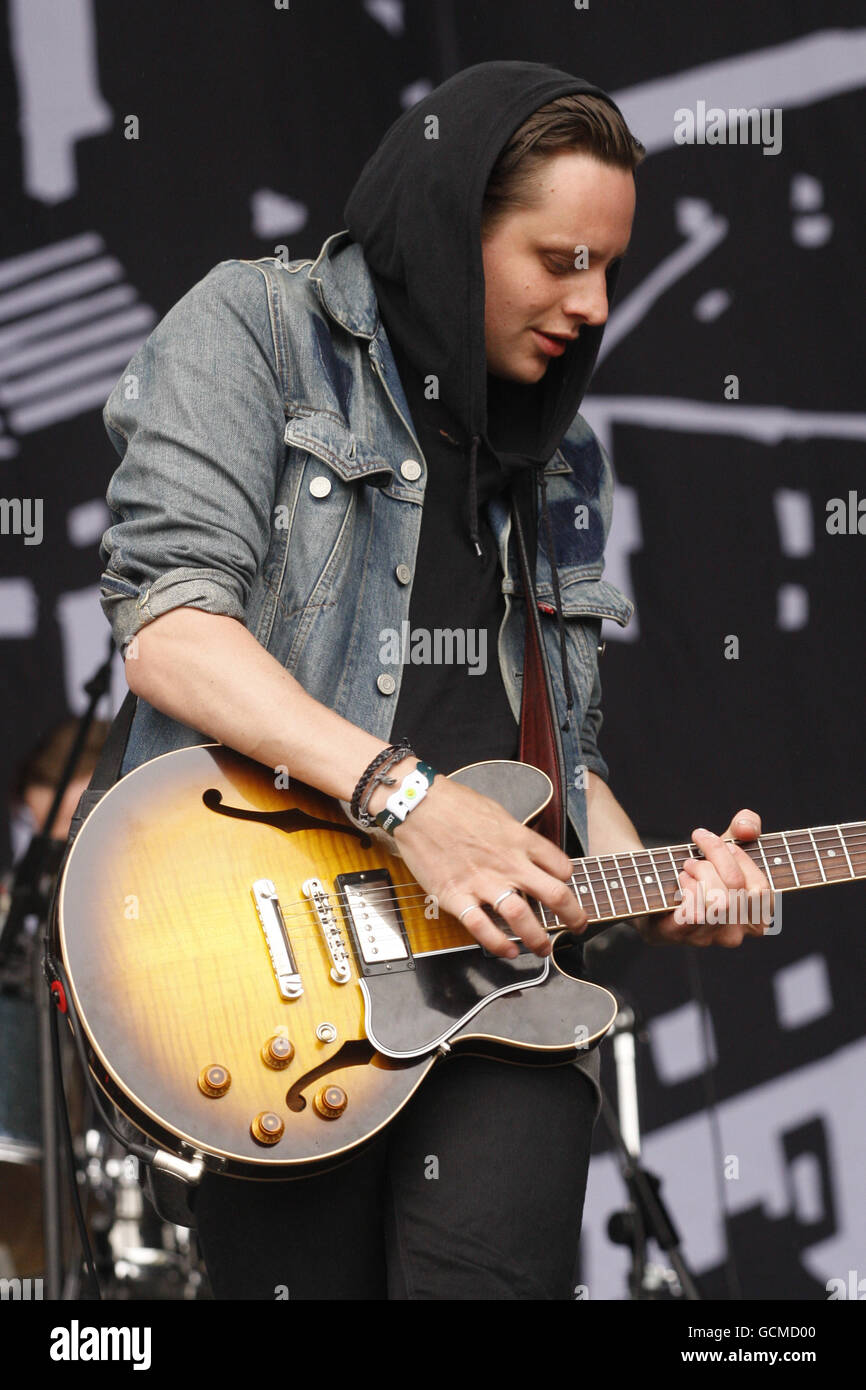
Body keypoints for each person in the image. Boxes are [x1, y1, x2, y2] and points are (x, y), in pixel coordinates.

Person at [97, 61, 771, 1300]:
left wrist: (664, 882)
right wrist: (408, 803)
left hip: (504, 987)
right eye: (560, 260)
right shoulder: (256, 327)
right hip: (276, 964)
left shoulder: (562, 464)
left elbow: (566, 760)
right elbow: (169, 626)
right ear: (451, 231)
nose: (595, 304)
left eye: (610, 269)